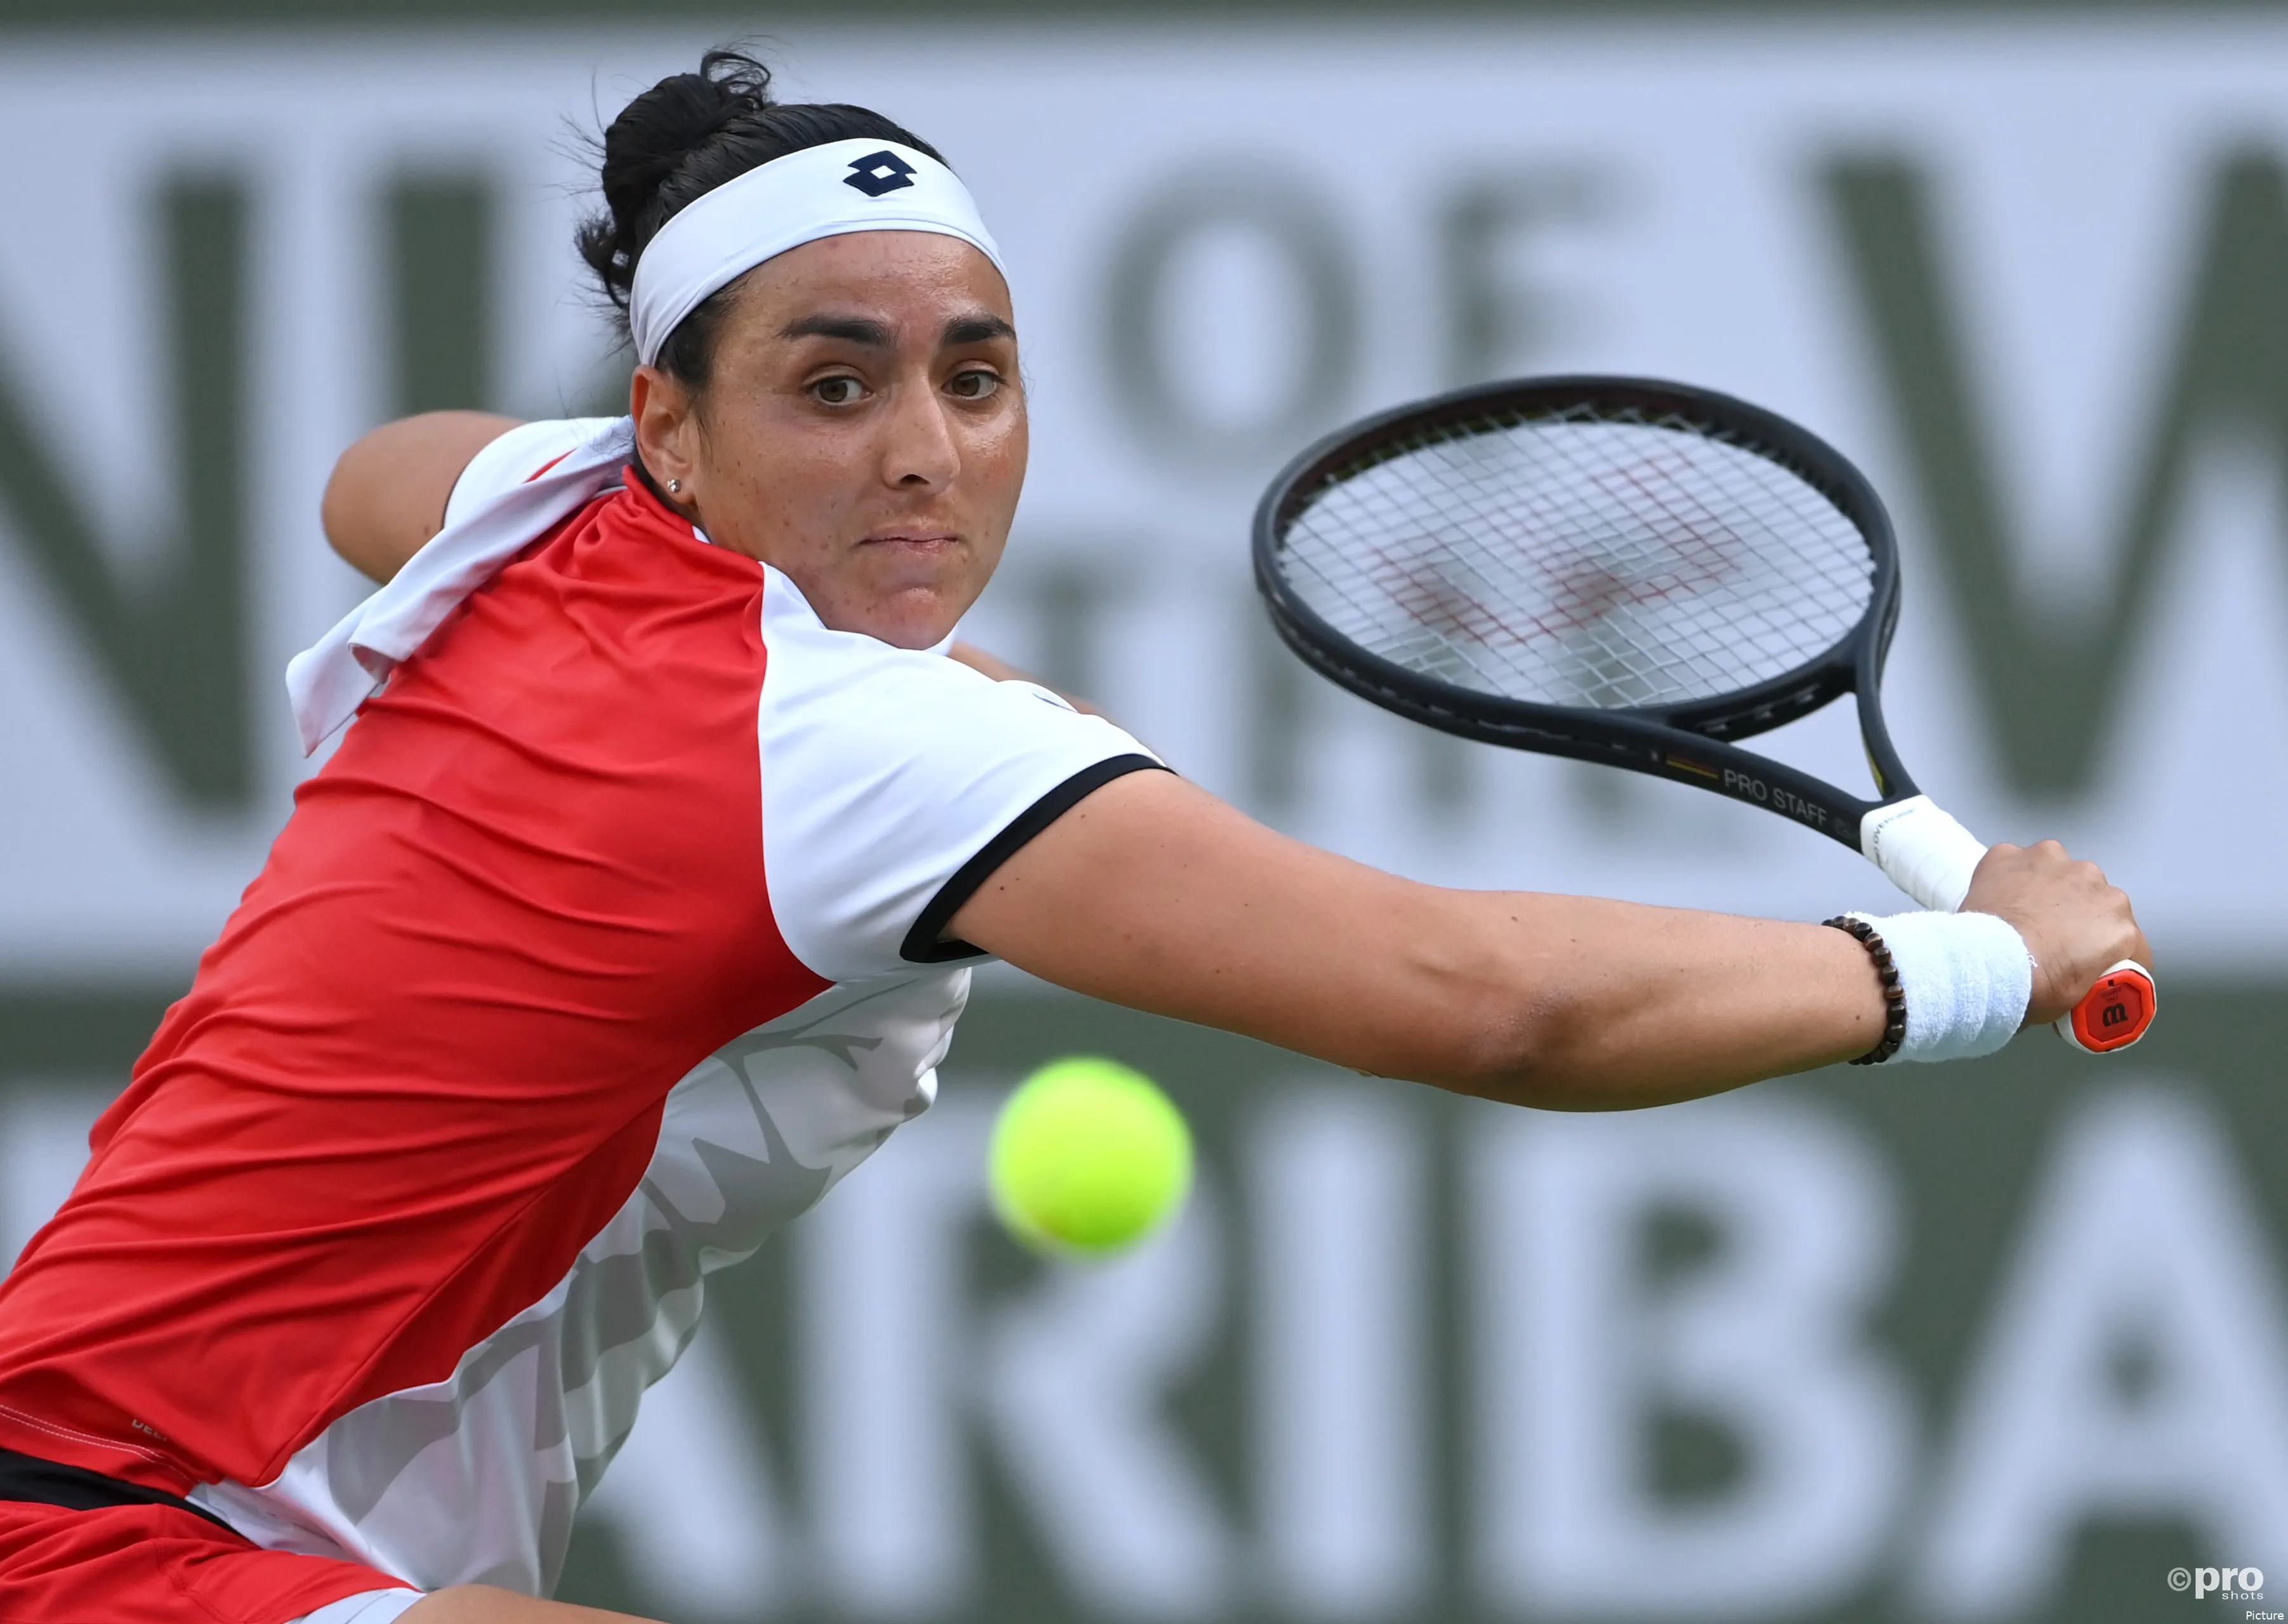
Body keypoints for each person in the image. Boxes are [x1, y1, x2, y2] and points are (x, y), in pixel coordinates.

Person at [0, 49, 2145, 1624]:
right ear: (677, 417)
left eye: (975, 373)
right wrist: (1985, 963)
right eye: (832, 388)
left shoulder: (550, 522)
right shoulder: (850, 757)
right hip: (125, 1548)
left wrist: (939, 661)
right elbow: (1486, 1005)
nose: (926, 455)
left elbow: (379, 470)